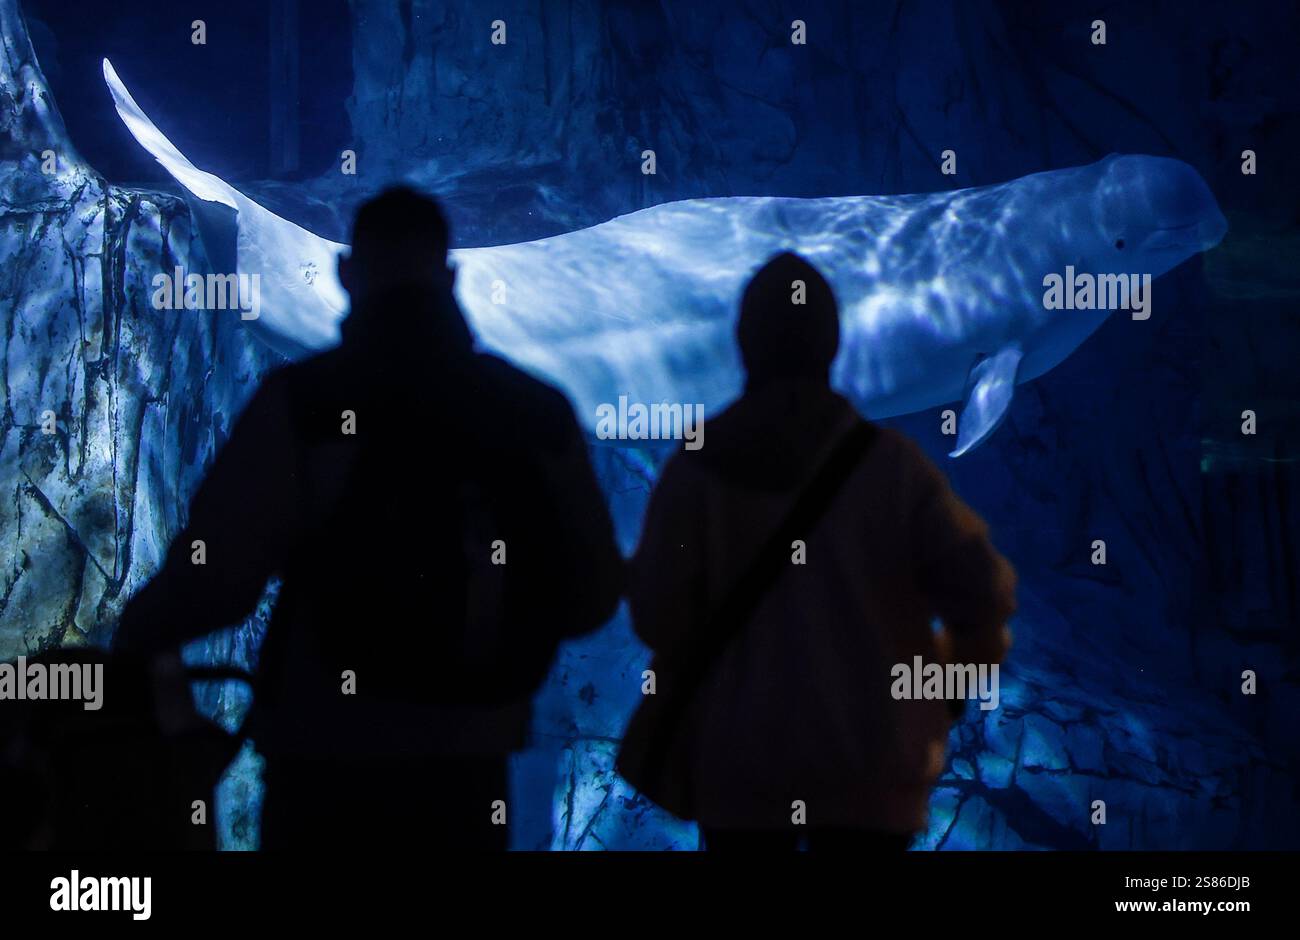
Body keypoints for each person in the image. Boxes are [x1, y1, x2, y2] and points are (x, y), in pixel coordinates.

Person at [115, 187, 624, 850]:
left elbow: (221, 579)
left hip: (324, 762)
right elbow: (593, 594)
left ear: (348, 273)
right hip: (467, 768)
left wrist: (136, 638)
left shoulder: (303, 402)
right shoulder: (532, 409)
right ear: (450, 275)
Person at [619, 252, 1016, 852]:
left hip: (740, 767)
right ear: (833, 345)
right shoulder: (894, 469)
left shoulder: (696, 468)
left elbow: (654, 614)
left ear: (743, 344)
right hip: (870, 768)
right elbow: (984, 598)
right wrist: (937, 696)